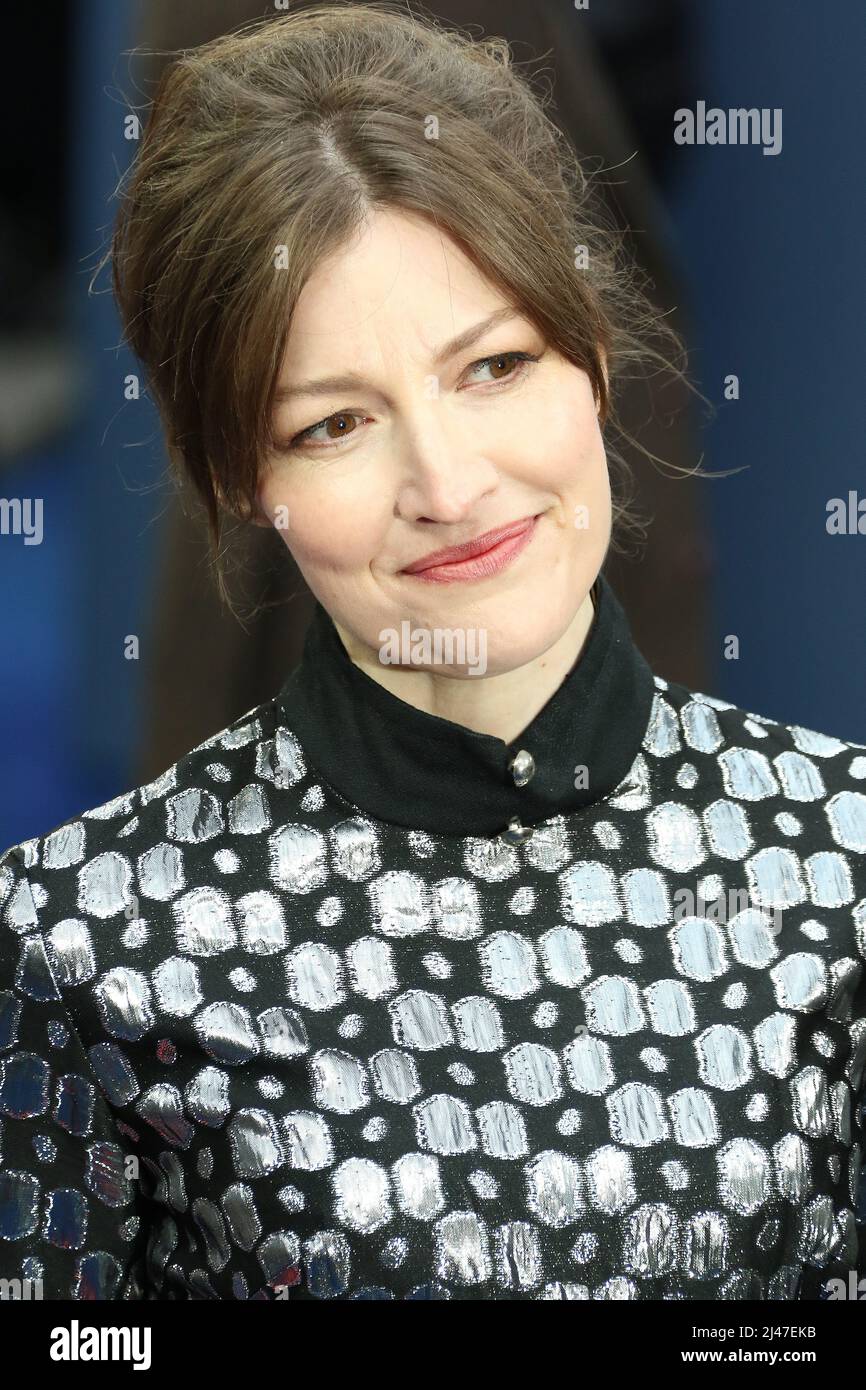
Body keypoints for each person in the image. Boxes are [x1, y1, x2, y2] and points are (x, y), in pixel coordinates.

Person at [1, 3, 864, 1301]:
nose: (449, 486)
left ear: (595, 356)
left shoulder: (841, 862)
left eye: (495, 366)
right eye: (336, 423)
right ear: (238, 479)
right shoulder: (83, 941)